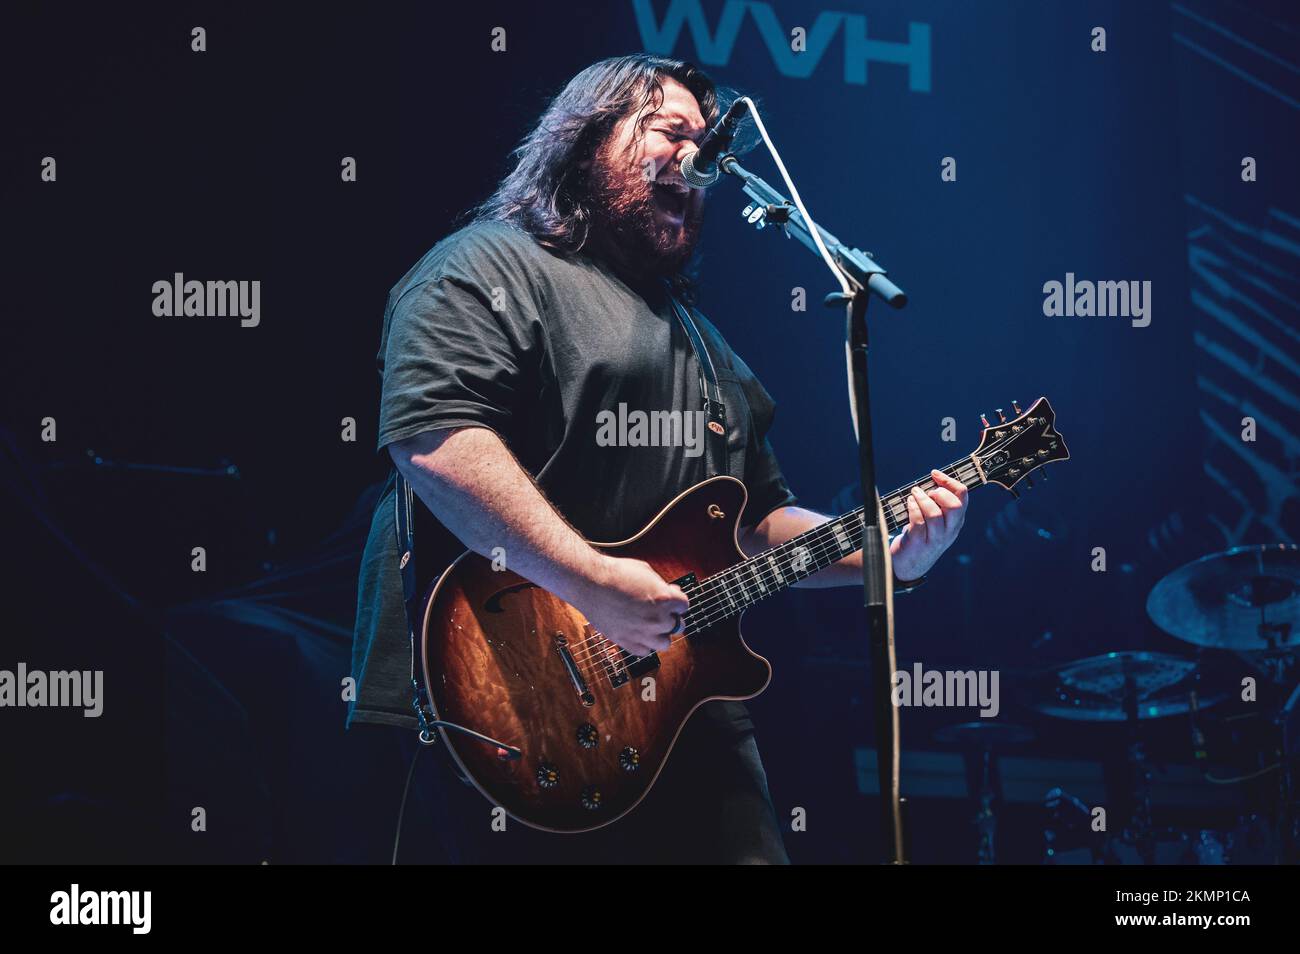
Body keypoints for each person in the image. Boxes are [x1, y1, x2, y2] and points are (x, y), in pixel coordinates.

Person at [348, 54, 968, 864]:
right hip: (502, 698)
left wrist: (888, 556)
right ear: (585, 140)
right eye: (671, 132)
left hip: (681, 710)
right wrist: (590, 580)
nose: (694, 159)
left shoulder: (703, 344)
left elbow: (755, 523)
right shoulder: (489, 265)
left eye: (707, 146)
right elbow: (434, 436)